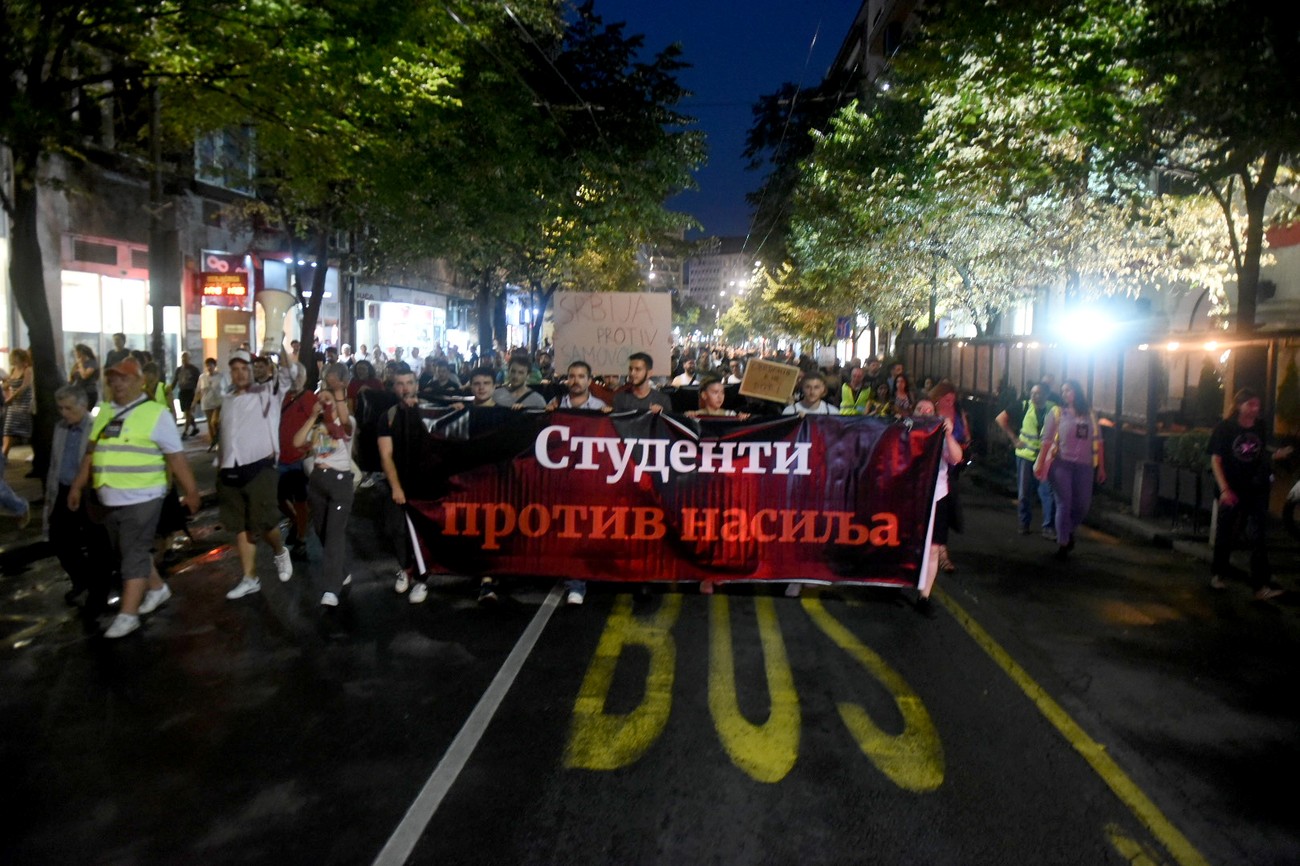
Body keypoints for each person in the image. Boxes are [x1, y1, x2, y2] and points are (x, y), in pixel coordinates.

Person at [67, 358, 201, 638]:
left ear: (139, 381)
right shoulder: (104, 411)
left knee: (133, 553)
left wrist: (191, 491)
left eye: (124, 378)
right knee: (126, 552)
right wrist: (77, 486)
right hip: (110, 498)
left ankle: (128, 615)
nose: (117, 383)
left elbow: (175, 456)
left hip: (144, 496)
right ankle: (157, 588)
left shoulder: (155, 413)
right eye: (113, 378)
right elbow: (91, 454)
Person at [219, 349, 296, 600]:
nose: (240, 373)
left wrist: (279, 346)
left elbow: (288, 374)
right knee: (240, 527)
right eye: (236, 369)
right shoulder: (227, 397)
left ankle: (279, 550)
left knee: (264, 522)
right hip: (230, 469)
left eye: (245, 368)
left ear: (254, 370)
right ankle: (250, 578)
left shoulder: (267, 393)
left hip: (260, 467)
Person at [1207, 388, 1290, 599]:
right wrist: (1224, 489)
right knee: (1227, 531)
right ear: (1239, 405)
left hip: (1255, 488)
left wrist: (1275, 455)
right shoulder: (1225, 428)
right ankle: (1218, 574)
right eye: (1250, 404)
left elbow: (1260, 451)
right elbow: (1216, 460)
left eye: (1257, 405)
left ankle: (1260, 585)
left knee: (1258, 534)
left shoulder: (1260, 427)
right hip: (1232, 487)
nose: (1255, 409)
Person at [293, 362, 356, 607]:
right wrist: (312, 415)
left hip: (340, 482)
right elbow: (297, 441)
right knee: (321, 532)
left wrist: (338, 392)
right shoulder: (318, 426)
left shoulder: (347, 422)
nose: (325, 401)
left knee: (334, 535)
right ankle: (341, 570)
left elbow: (342, 416)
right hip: (318, 481)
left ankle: (331, 588)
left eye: (328, 398)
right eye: (323, 397)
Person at [46, 385, 113, 614]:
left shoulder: (97, 428)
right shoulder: (60, 428)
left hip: (90, 493)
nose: (64, 413)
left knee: (97, 545)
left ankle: (98, 593)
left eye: (69, 408)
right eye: (61, 408)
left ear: (84, 406)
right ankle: (81, 579)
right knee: (59, 539)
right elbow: (55, 464)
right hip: (64, 490)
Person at [546, 361, 606, 605]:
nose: (576, 380)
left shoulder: (601, 408)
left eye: (581, 376)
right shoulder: (555, 407)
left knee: (580, 529)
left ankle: (577, 584)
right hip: (559, 479)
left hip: (588, 480)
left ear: (590, 380)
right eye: (571, 376)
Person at [378, 367, 433, 604]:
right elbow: (386, 455)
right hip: (400, 482)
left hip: (427, 483)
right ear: (393, 388)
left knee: (425, 533)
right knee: (397, 530)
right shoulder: (388, 416)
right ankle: (406, 569)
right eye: (399, 384)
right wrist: (396, 487)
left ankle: (422, 579)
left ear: (416, 385)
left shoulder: (431, 411)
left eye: (409, 382)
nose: (405, 388)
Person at [1034, 379, 1106, 561]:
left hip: (1085, 466)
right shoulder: (1058, 413)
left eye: (1068, 390)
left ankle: (1067, 530)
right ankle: (1063, 543)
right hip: (1061, 464)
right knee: (1063, 504)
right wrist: (1040, 463)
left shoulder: (1090, 415)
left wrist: (1101, 468)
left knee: (1082, 505)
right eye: (1063, 391)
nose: (1065, 394)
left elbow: (1098, 442)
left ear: (1077, 391)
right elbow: (1047, 440)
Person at [912, 397, 966, 612]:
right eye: (920, 409)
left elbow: (956, 458)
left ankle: (924, 596)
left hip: (936, 496)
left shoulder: (940, 436)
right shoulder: (904, 431)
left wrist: (948, 434)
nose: (924, 413)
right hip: (910, 497)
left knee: (933, 549)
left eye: (929, 410)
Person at [995, 384, 1057, 538]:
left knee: (1047, 492)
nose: (1035, 396)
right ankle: (1024, 523)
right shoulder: (1023, 406)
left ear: (1046, 395)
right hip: (1026, 456)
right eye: (1033, 393)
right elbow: (1000, 418)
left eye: (1039, 393)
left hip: (1045, 457)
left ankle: (1048, 527)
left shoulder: (1053, 409)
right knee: (1024, 492)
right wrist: (1014, 439)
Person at [929, 381, 971, 572]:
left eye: (953, 400)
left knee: (946, 510)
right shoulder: (931, 415)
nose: (950, 403)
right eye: (947, 399)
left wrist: (963, 446)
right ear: (937, 399)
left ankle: (941, 552)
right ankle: (936, 552)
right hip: (934, 468)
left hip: (951, 467)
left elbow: (967, 435)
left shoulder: (958, 413)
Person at [277, 364, 315, 559]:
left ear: (304, 377)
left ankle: (301, 538)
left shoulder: (309, 398)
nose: (295, 379)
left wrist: (309, 450)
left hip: (299, 459)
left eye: (298, 375)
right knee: (279, 498)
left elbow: (318, 425)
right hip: (280, 457)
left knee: (300, 501)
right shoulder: (282, 396)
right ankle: (296, 522)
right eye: (292, 375)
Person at [3, 347, 34, 457]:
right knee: (8, 427)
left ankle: (4, 453)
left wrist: (10, 399)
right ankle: (4, 453)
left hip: (24, 402)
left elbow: (24, 387)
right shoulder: (13, 370)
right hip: (15, 403)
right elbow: (9, 384)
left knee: (10, 422)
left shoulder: (27, 370)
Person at [195, 357, 224, 452]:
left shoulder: (221, 376)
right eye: (207, 365)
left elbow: (227, 389)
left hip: (218, 403)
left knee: (214, 422)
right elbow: (199, 391)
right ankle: (213, 442)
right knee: (209, 424)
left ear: (215, 366)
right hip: (206, 403)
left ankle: (219, 441)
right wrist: (193, 403)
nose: (209, 367)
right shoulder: (202, 377)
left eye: (211, 365)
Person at [171, 352, 202, 438]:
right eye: (183, 358)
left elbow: (199, 383)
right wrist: (169, 390)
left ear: (189, 359)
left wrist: (198, 395)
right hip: (182, 392)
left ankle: (185, 432)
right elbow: (175, 381)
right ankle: (195, 427)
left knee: (187, 412)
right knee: (185, 412)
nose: (184, 360)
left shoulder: (194, 370)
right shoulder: (179, 370)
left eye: (186, 358)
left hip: (190, 392)